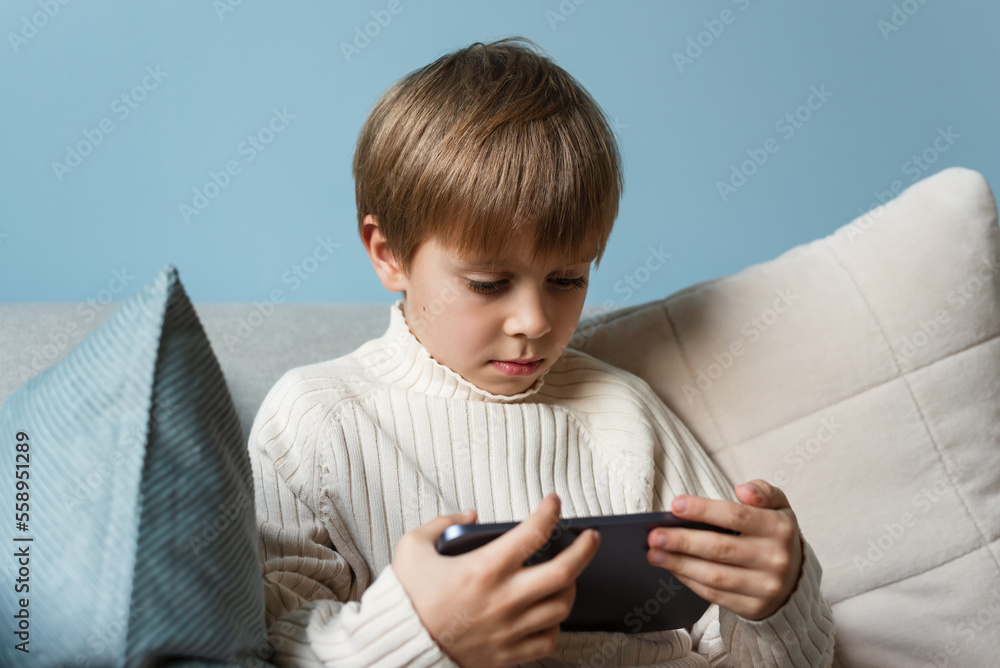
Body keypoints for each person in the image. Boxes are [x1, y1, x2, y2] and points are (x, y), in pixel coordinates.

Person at [248, 36, 836, 667]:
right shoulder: (315, 419)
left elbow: (744, 652)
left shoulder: (622, 413)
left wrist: (779, 601)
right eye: (488, 284)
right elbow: (274, 646)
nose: (533, 321)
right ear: (388, 253)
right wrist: (424, 636)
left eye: (568, 279)